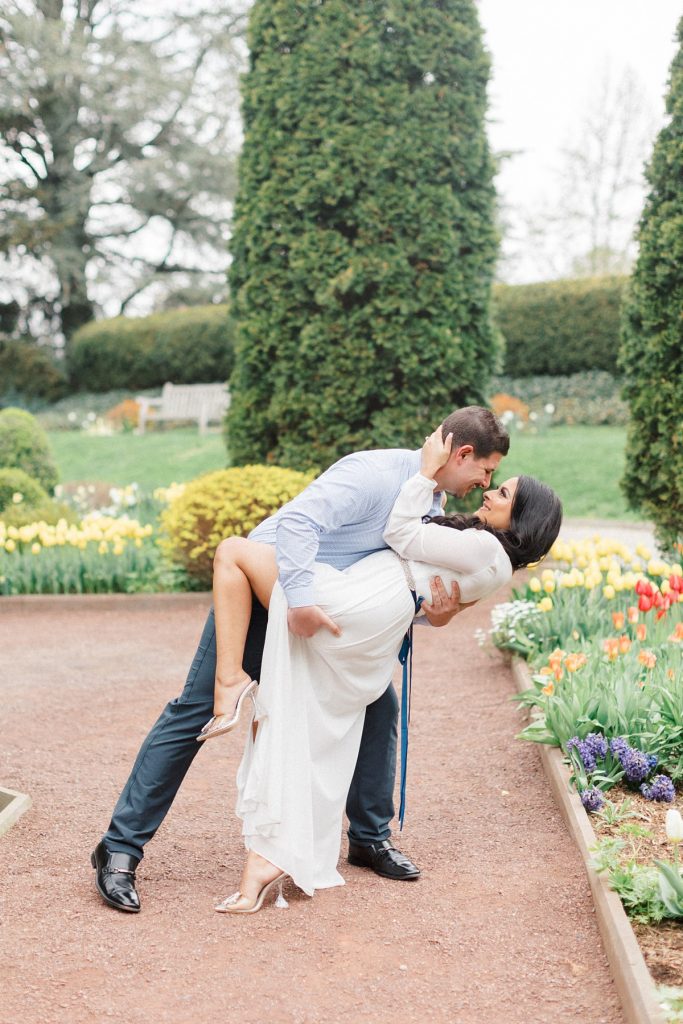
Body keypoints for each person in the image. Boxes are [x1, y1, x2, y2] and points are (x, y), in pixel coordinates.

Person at [91, 406, 510, 913]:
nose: (486, 483)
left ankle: (369, 838)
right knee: (197, 711)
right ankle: (119, 848)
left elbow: (391, 585)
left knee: (379, 705)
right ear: (462, 453)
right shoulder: (373, 473)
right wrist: (303, 601)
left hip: (327, 617)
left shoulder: (431, 501)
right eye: (485, 470)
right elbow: (295, 524)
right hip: (266, 596)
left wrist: (434, 615)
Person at [203, 425, 561, 912]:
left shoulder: (486, 550)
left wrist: (425, 474)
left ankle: (229, 684)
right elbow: (438, 604)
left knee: (233, 551)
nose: (489, 490)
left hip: (363, 601)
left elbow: (400, 532)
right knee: (311, 732)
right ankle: (268, 862)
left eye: (503, 493)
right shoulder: (492, 558)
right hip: (379, 612)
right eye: (493, 480)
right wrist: (441, 612)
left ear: (521, 517)